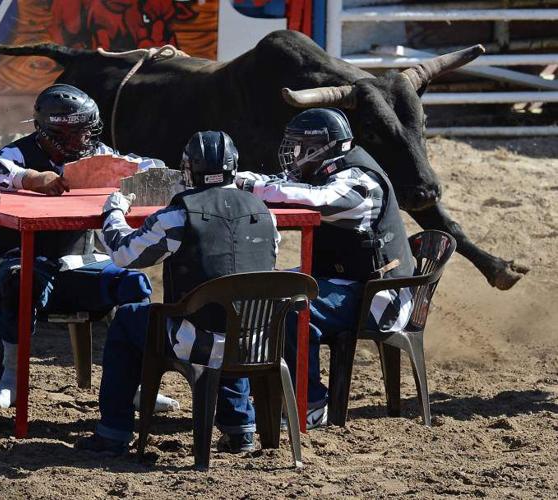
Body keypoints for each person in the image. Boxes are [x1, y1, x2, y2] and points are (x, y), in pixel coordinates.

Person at [75, 130, 282, 455]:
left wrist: (113, 211)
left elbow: (123, 255)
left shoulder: (178, 217)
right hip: (254, 344)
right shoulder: (266, 214)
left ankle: (113, 432)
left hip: (196, 343)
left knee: (128, 319)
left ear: (188, 170)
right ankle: (240, 428)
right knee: (232, 312)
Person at [0, 83, 178, 412]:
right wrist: (30, 179)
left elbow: (149, 164)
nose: (84, 140)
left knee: (135, 284)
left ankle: (138, 384)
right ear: (51, 130)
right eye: (76, 133)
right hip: (29, 262)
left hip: (83, 265)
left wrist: (138, 171)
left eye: (88, 131)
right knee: (19, 283)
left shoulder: (96, 155)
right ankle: (11, 380)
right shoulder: (17, 154)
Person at [235, 108, 415, 429]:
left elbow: (318, 200)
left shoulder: (360, 180)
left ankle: (312, 403)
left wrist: (251, 189)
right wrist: (236, 182)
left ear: (323, 148)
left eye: (300, 146)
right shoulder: (329, 171)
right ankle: (275, 389)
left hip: (380, 298)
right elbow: (282, 184)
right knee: (259, 289)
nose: (292, 153)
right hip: (349, 282)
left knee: (289, 306)